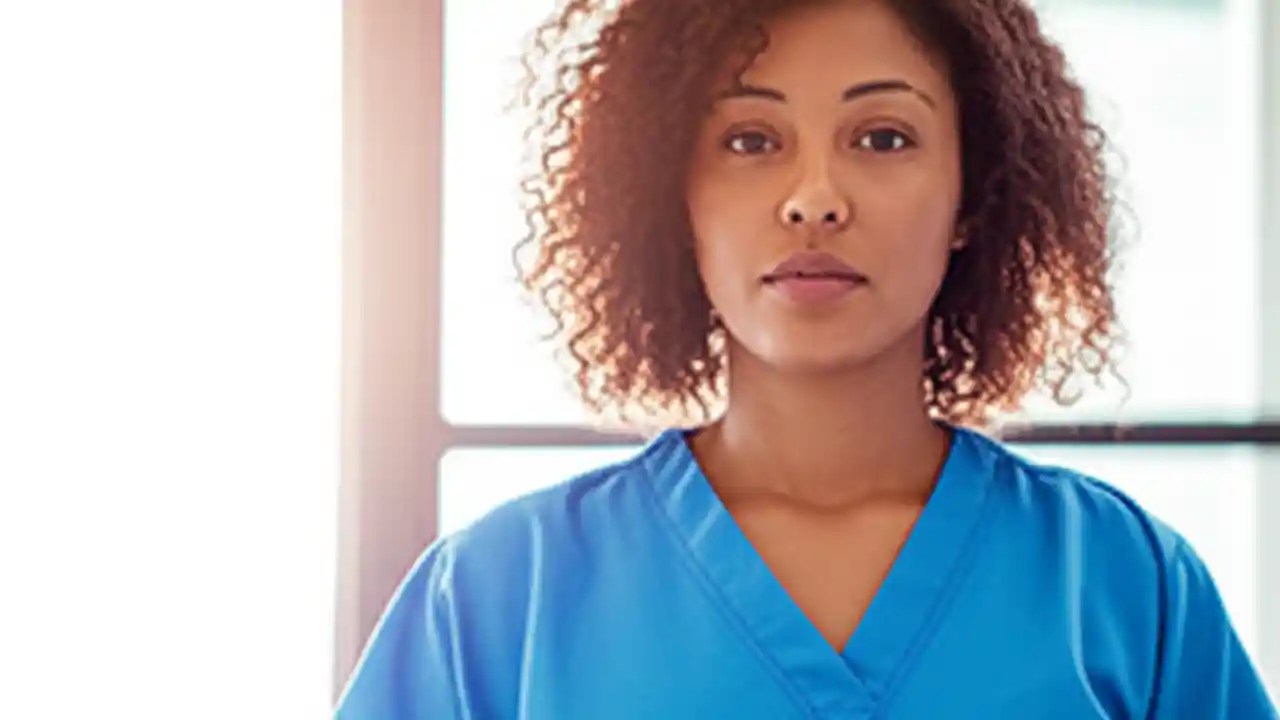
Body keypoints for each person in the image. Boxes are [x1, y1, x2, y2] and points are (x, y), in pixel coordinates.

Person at [336, 0, 1278, 716]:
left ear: (974, 198)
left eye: (883, 138)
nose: (814, 198)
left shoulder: (1125, 586)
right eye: (751, 140)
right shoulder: (499, 599)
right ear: (676, 197)